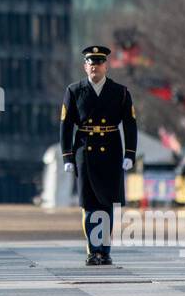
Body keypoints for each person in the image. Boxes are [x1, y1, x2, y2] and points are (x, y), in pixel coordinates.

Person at [59, 45, 137, 266]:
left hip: (111, 151)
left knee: (108, 205)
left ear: (106, 66)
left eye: (99, 63)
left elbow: (130, 125)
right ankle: (94, 250)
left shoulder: (120, 92)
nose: (95, 67)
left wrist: (130, 153)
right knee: (90, 204)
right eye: (91, 63)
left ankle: (105, 250)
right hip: (85, 151)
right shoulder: (74, 91)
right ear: (85, 67)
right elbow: (65, 126)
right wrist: (67, 157)